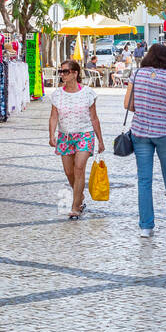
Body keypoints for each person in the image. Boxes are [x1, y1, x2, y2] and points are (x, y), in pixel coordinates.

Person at [124, 43, 166, 238]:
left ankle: (146, 226)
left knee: (144, 180)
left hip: (140, 132)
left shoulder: (137, 74)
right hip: (165, 132)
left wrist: (145, 108)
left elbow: (128, 104)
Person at [48, 59, 104, 220]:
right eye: (61, 71)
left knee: (79, 167)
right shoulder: (57, 94)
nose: (62, 74)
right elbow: (53, 117)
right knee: (69, 172)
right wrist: (51, 135)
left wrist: (100, 140)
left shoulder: (87, 93)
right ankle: (79, 195)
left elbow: (94, 118)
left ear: (75, 73)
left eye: (65, 71)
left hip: (84, 134)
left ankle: (75, 206)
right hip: (65, 136)